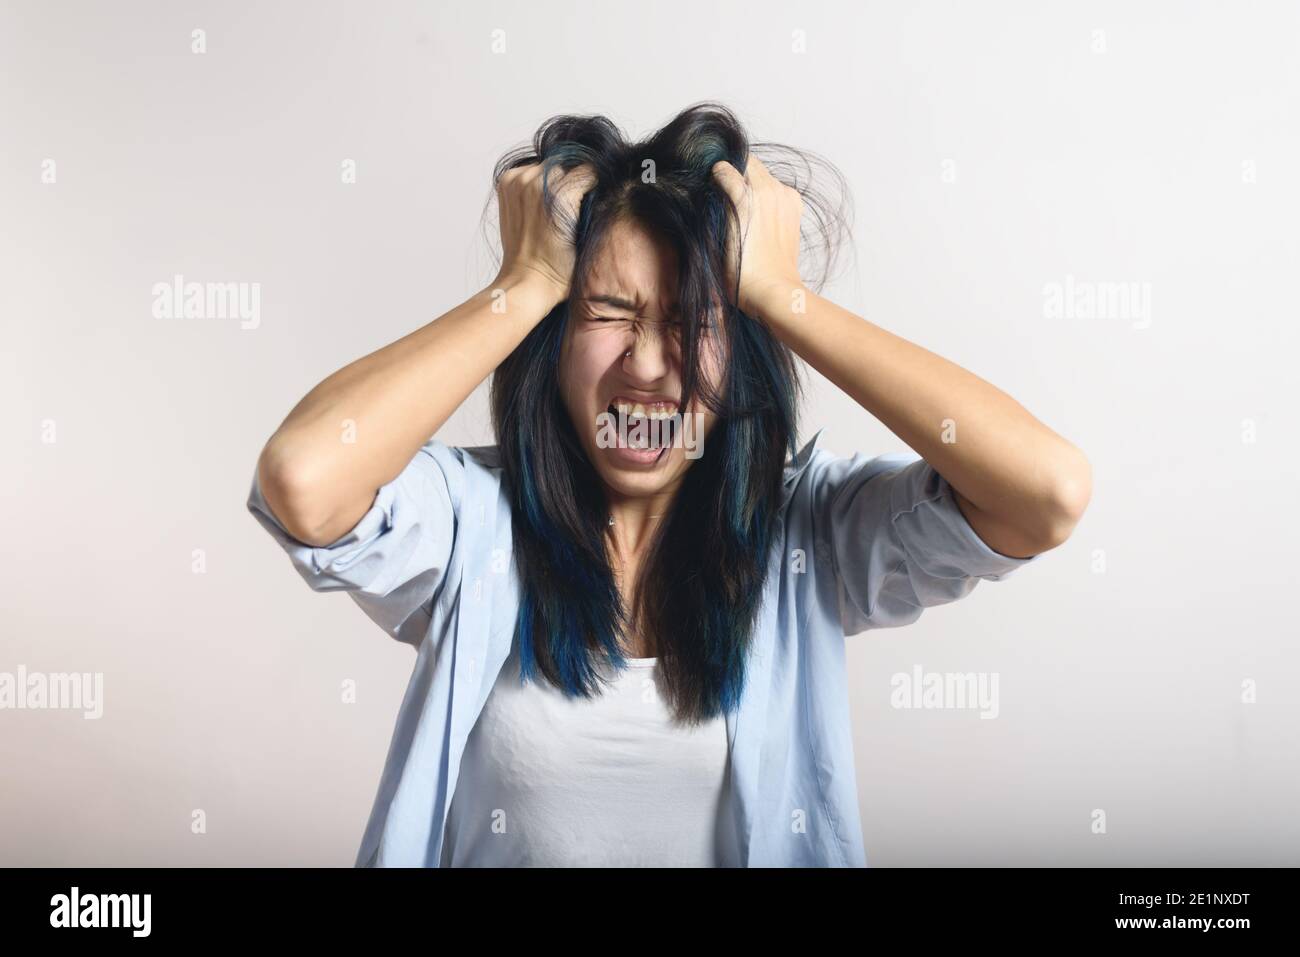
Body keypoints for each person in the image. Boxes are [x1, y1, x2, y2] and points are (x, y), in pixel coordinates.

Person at [246, 103, 1091, 867]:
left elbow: (1046, 490)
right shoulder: (472, 521)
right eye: (609, 312)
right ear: (551, 340)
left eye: (693, 322)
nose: (648, 364)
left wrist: (784, 297)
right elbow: (303, 476)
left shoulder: (809, 534)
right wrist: (525, 284)